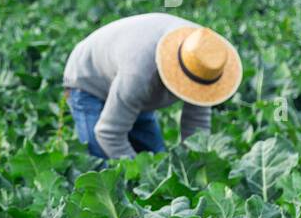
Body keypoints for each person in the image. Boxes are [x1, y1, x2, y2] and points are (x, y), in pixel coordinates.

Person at [62, 11, 242, 160]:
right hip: (87, 79)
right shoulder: (139, 76)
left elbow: (196, 127)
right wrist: (141, 174)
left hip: (130, 80)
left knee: (157, 157)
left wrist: (194, 167)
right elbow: (108, 132)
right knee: (101, 166)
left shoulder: (204, 58)